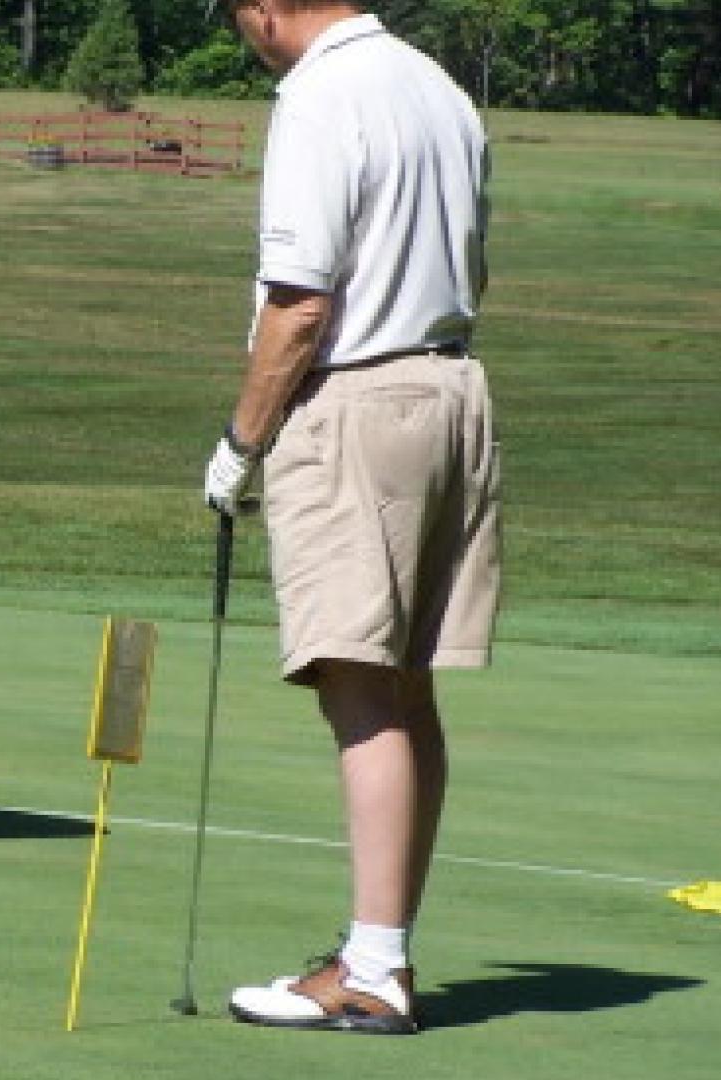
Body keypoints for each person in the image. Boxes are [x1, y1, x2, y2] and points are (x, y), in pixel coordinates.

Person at [201, 0, 498, 1035]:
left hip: (362, 395)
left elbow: (301, 302)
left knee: (360, 680)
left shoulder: (322, 93)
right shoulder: (437, 87)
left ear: (267, 9)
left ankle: (373, 970)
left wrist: (241, 442)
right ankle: (383, 950)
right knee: (406, 686)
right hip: (451, 386)